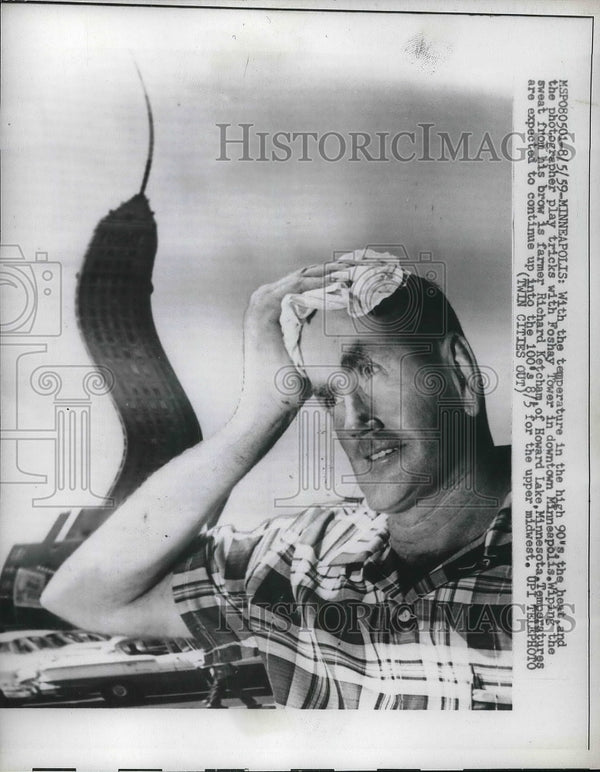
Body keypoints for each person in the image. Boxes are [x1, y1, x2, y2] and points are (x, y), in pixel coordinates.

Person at [41, 254, 511, 710]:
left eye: (367, 370)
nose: (352, 421)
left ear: (462, 376)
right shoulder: (298, 559)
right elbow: (82, 596)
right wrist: (259, 413)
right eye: (328, 398)